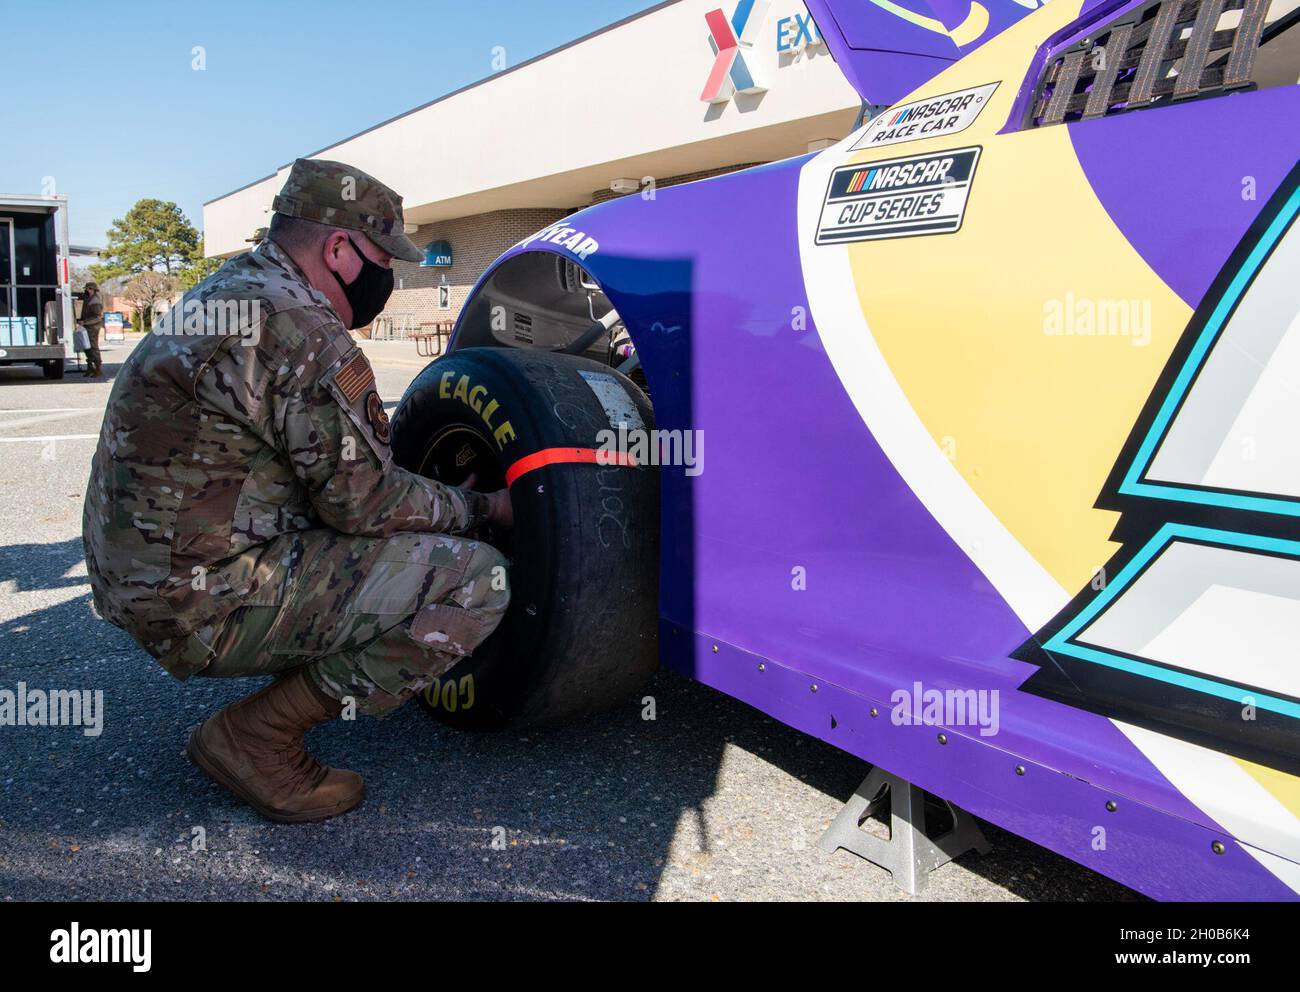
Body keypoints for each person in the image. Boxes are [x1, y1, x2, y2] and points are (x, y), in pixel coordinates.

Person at [82, 158, 513, 823]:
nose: (388, 280)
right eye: (382, 258)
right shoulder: (302, 327)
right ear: (339, 250)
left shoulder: (230, 292)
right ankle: (259, 736)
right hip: (195, 601)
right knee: (476, 580)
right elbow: (365, 503)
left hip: (143, 579)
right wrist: (481, 508)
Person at [80, 282, 104, 377]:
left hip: (93, 327)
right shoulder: (88, 298)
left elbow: (97, 317)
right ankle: (90, 367)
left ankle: (98, 368)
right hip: (87, 326)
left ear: (93, 289)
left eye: (89, 289)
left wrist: (85, 322)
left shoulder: (95, 301)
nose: (87, 290)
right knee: (87, 347)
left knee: (93, 347)